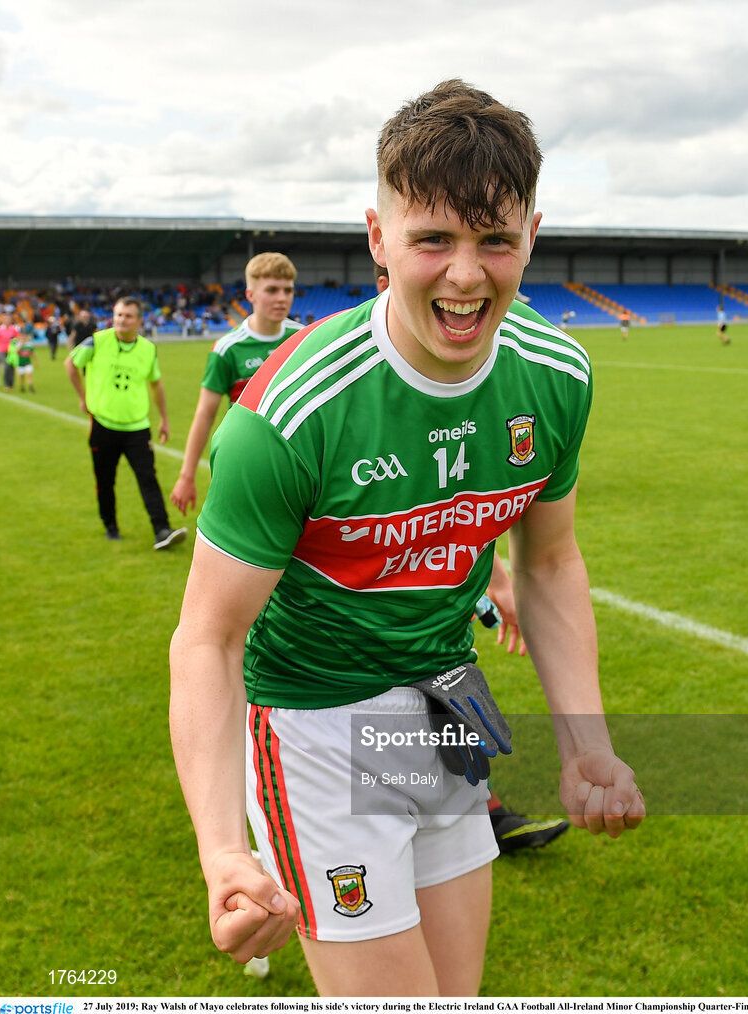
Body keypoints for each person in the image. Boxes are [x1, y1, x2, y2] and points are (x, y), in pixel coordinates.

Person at [170, 79, 644, 998]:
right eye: (434, 239)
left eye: (494, 241)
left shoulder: (557, 375)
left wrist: (584, 742)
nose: (467, 275)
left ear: (531, 237)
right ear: (378, 238)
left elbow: (546, 561)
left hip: (443, 707)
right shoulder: (291, 415)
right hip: (312, 722)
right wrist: (224, 846)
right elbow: (208, 637)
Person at [378, 260, 570, 854]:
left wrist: (497, 584)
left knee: (449, 696)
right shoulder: (359, 393)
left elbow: (459, 513)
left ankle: (480, 811)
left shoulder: (484, 388)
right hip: (349, 641)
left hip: (437, 617)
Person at [170, 252, 302, 516]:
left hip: (297, 462)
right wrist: (186, 476)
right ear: (250, 295)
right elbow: (205, 413)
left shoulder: (303, 339)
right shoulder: (227, 349)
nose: (282, 298)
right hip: (246, 462)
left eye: (288, 290)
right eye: (272, 290)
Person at [65, 296, 187, 550]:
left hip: (137, 428)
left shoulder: (148, 349)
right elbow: (71, 364)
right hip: (103, 425)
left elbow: (156, 384)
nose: (122, 320)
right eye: (118, 315)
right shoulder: (96, 342)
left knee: (148, 478)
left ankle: (161, 529)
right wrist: (83, 397)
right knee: (105, 480)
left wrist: (164, 418)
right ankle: (110, 526)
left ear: (139, 321)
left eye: (128, 316)